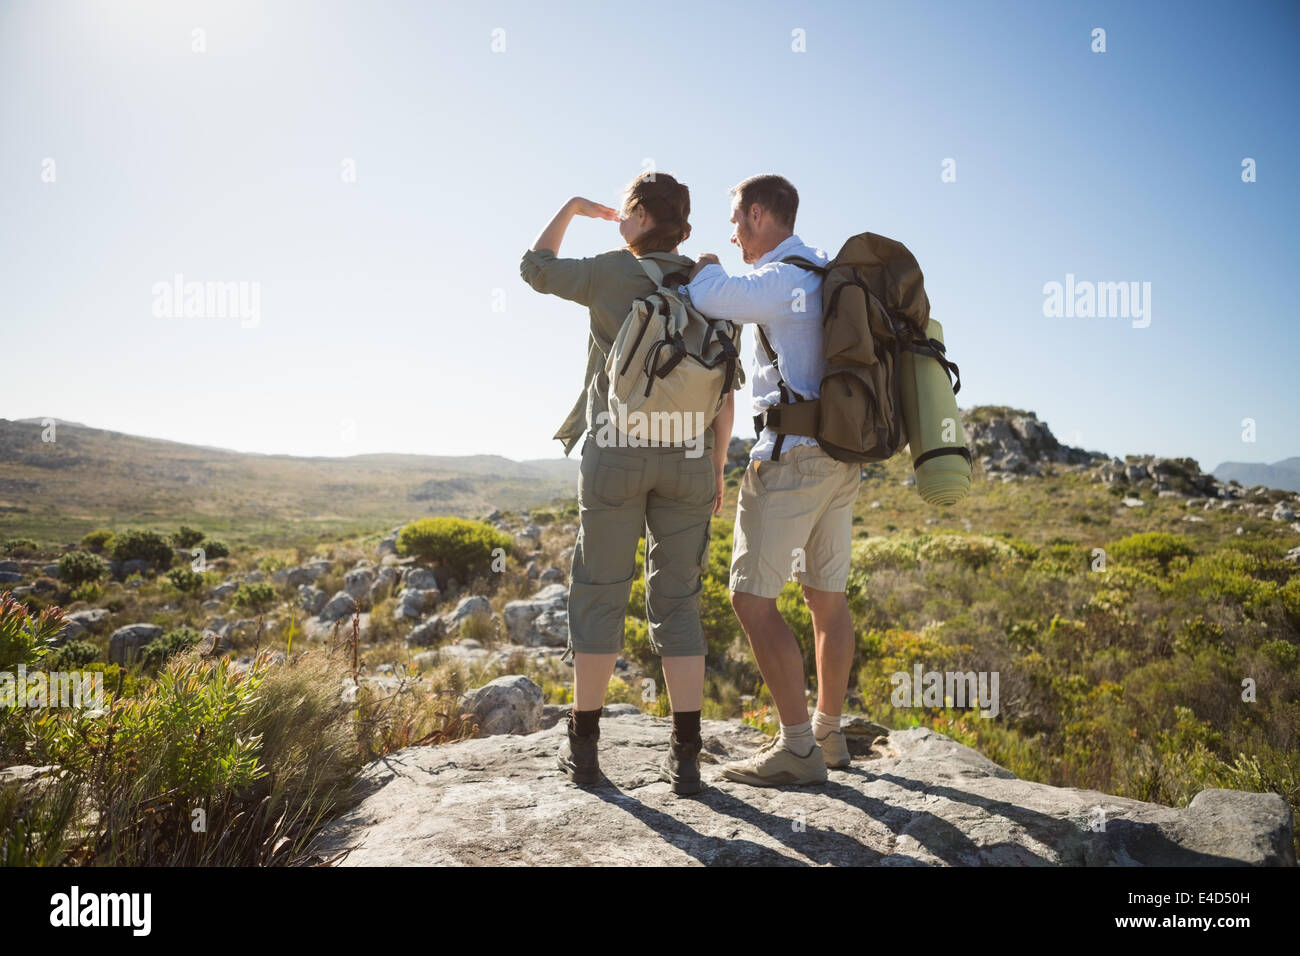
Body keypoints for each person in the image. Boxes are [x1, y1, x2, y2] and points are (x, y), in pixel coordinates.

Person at [520, 172, 736, 795]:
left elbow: (534, 267)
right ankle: (687, 760)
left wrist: (570, 207)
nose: (620, 216)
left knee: (598, 590)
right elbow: (724, 388)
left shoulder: (613, 272)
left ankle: (584, 754)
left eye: (626, 208)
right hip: (691, 456)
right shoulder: (708, 281)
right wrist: (716, 468)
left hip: (616, 451)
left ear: (640, 215)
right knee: (678, 603)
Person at [685, 174, 860, 787]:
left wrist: (704, 263)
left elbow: (711, 296)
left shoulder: (780, 277)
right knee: (827, 598)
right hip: (840, 457)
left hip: (790, 459)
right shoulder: (825, 271)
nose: (732, 234)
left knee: (751, 600)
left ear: (758, 214)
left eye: (735, 221)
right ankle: (829, 734)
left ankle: (797, 750)